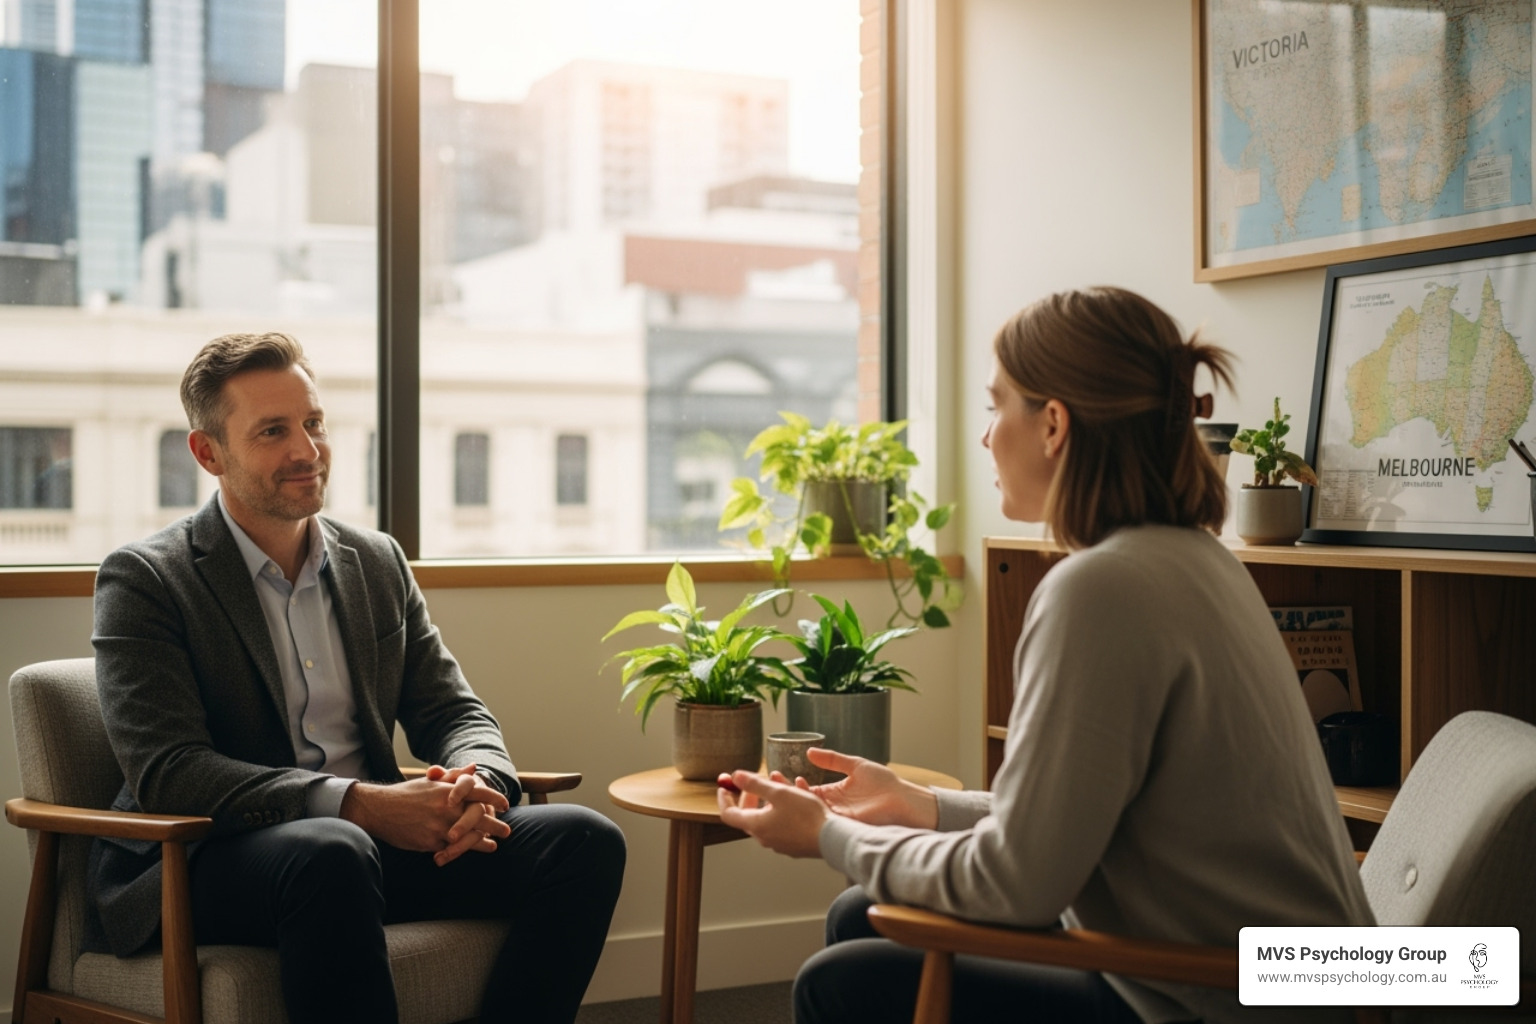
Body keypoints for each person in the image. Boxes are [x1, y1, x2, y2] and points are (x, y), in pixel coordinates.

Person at [717, 287, 1373, 1024]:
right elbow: (1092, 816)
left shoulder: (1101, 590)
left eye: (996, 408)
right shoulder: (1200, 561)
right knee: (861, 915)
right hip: (1293, 986)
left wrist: (830, 835)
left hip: (1212, 996)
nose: (988, 437)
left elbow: (1017, 881)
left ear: (1054, 424)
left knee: (838, 979)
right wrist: (924, 807)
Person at [89, 332, 626, 1024]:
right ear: (208, 452)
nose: (307, 451)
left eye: (313, 424)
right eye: (274, 431)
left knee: (584, 840)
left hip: (362, 854)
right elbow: (170, 771)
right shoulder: (146, 579)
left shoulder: (376, 561)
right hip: (208, 858)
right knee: (333, 850)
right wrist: (361, 806)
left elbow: (453, 710)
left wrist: (479, 783)